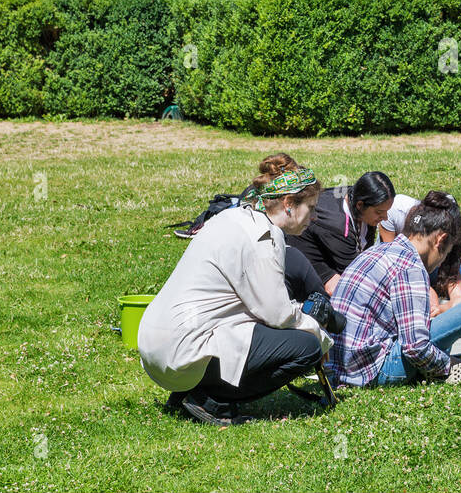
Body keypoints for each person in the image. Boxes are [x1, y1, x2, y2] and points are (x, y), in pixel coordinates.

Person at [136, 154, 332, 426]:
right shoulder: (264, 237)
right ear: (288, 204)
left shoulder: (231, 217)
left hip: (153, 346)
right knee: (306, 347)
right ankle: (210, 400)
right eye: (310, 207)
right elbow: (277, 316)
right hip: (183, 351)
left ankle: (188, 392)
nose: (313, 216)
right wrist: (317, 329)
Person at [327, 191, 461, 387]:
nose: (441, 262)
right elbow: (415, 347)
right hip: (374, 371)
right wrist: (450, 365)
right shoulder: (410, 266)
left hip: (339, 368)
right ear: (440, 241)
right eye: (446, 255)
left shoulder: (381, 250)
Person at [288, 170, 396, 293]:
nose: (385, 217)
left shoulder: (358, 200)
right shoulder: (338, 226)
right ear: (360, 205)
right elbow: (356, 274)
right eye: (379, 212)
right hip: (307, 258)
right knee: (343, 289)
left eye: (386, 211)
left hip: (330, 251)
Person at [379, 191, 461, 304]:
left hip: (427, 261)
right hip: (403, 266)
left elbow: (458, 298)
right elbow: (393, 261)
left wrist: (454, 301)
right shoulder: (395, 210)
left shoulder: (444, 235)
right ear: (440, 239)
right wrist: (427, 290)